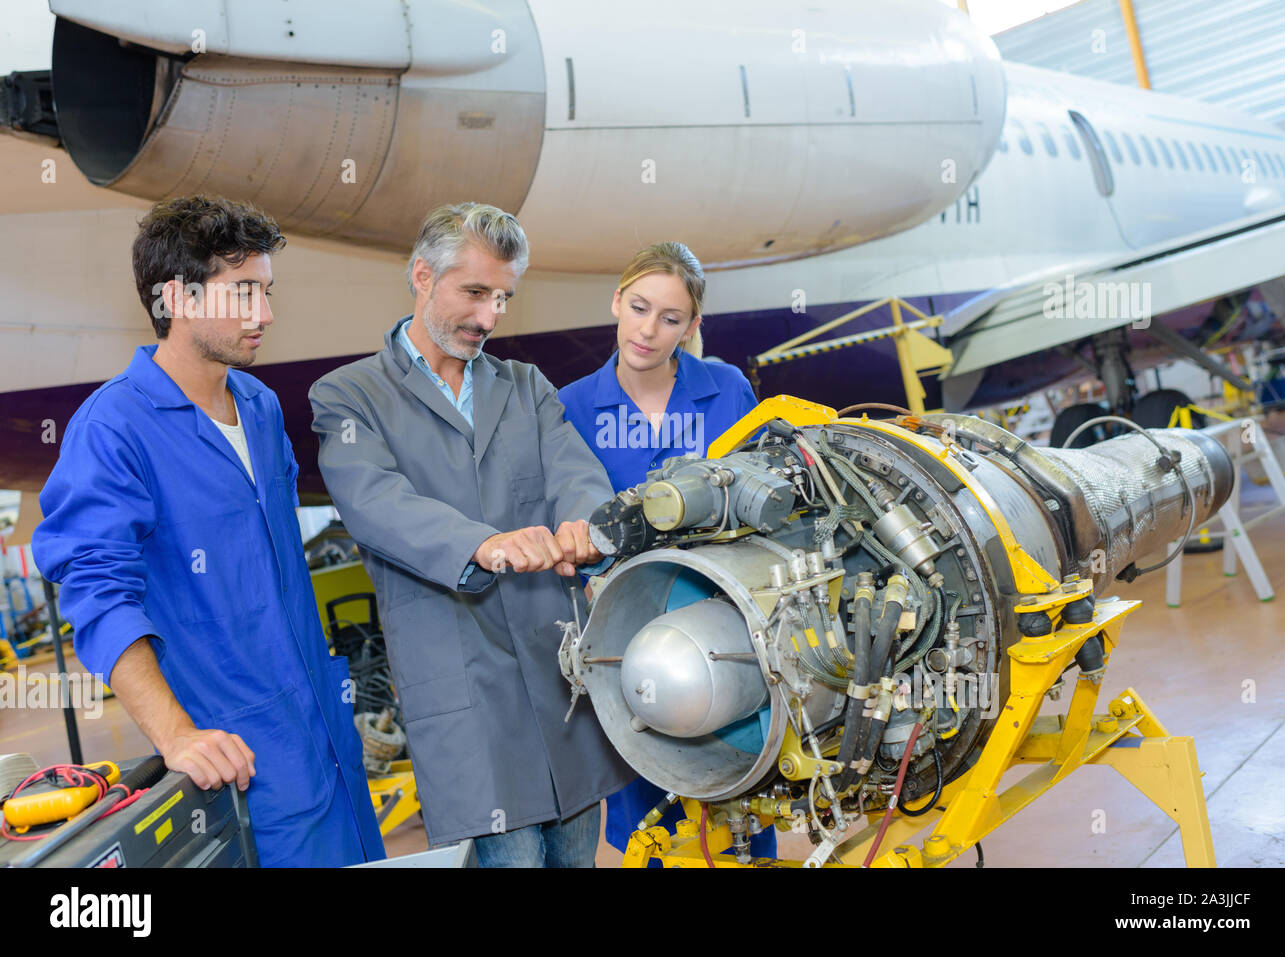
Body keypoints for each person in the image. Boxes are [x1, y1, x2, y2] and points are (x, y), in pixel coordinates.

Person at [32, 195, 384, 867]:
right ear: (178, 298)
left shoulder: (259, 406)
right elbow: (98, 596)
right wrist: (176, 734)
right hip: (245, 767)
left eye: (267, 290)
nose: (267, 314)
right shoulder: (113, 429)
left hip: (328, 747)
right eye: (245, 291)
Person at [308, 201, 635, 868]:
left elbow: (577, 472)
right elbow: (377, 501)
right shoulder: (349, 397)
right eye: (476, 292)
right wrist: (483, 543)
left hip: (558, 677)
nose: (489, 318)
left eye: (504, 298)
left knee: (576, 855)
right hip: (464, 695)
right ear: (423, 277)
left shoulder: (524, 386)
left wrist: (585, 524)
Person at [555, 241, 776, 860]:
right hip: (627, 634)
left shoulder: (728, 389)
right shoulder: (571, 405)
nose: (648, 331)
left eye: (671, 318)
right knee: (647, 809)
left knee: (740, 792)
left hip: (728, 624)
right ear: (617, 303)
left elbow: (765, 494)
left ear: (692, 326)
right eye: (639, 308)